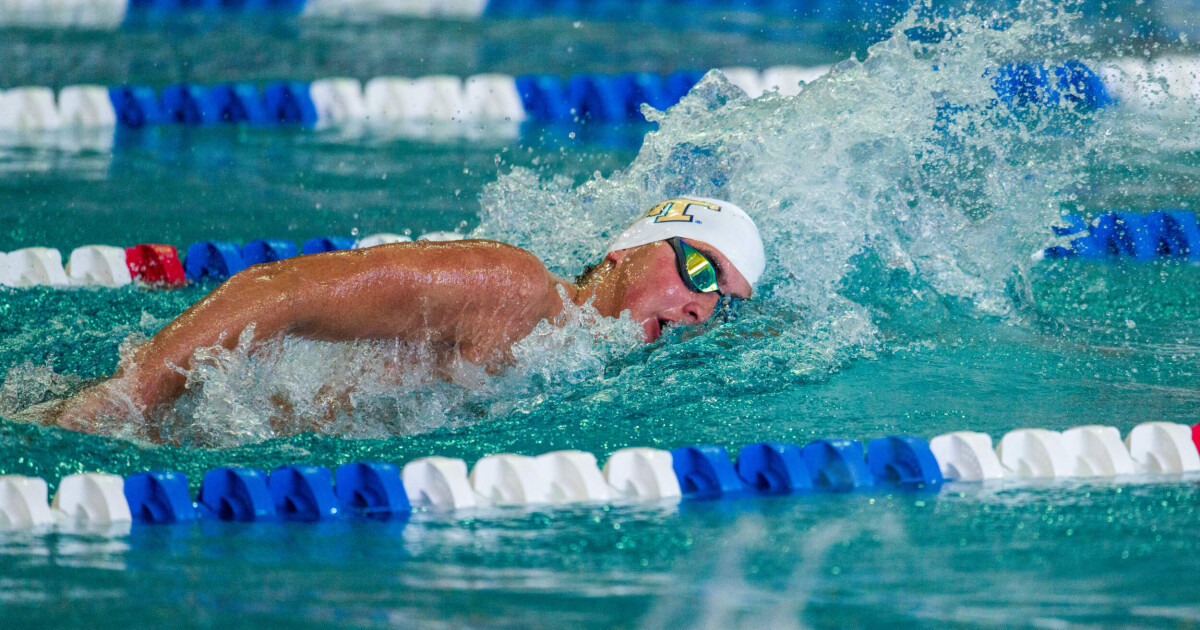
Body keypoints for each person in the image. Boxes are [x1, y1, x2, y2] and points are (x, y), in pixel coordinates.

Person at [53, 196, 766, 438]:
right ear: (627, 252)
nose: (703, 304)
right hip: (170, 419)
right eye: (701, 268)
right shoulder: (513, 288)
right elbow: (277, 289)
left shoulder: (579, 366)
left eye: (722, 302)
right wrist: (132, 397)